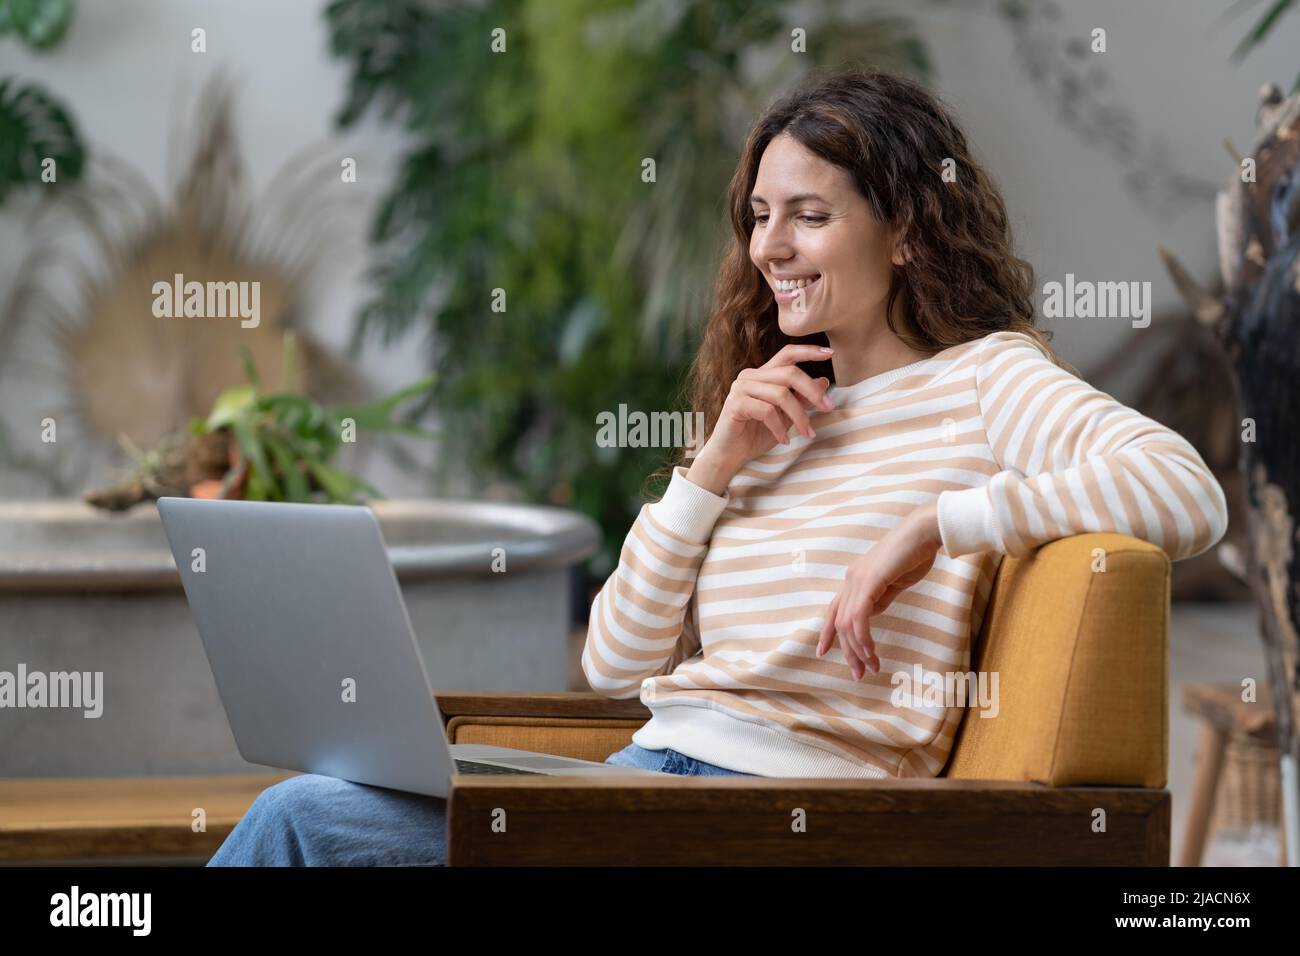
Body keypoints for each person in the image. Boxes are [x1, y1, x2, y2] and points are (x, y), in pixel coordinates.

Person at [208, 67, 1228, 866]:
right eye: (758, 214)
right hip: (654, 775)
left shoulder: (982, 381)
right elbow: (614, 665)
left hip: (765, 811)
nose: (769, 245)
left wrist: (932, 527)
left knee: (305, 823)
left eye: (809, 215)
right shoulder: (767, 408)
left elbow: (1185, 488)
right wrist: (709, 471)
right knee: (319, 807)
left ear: (908, 228)